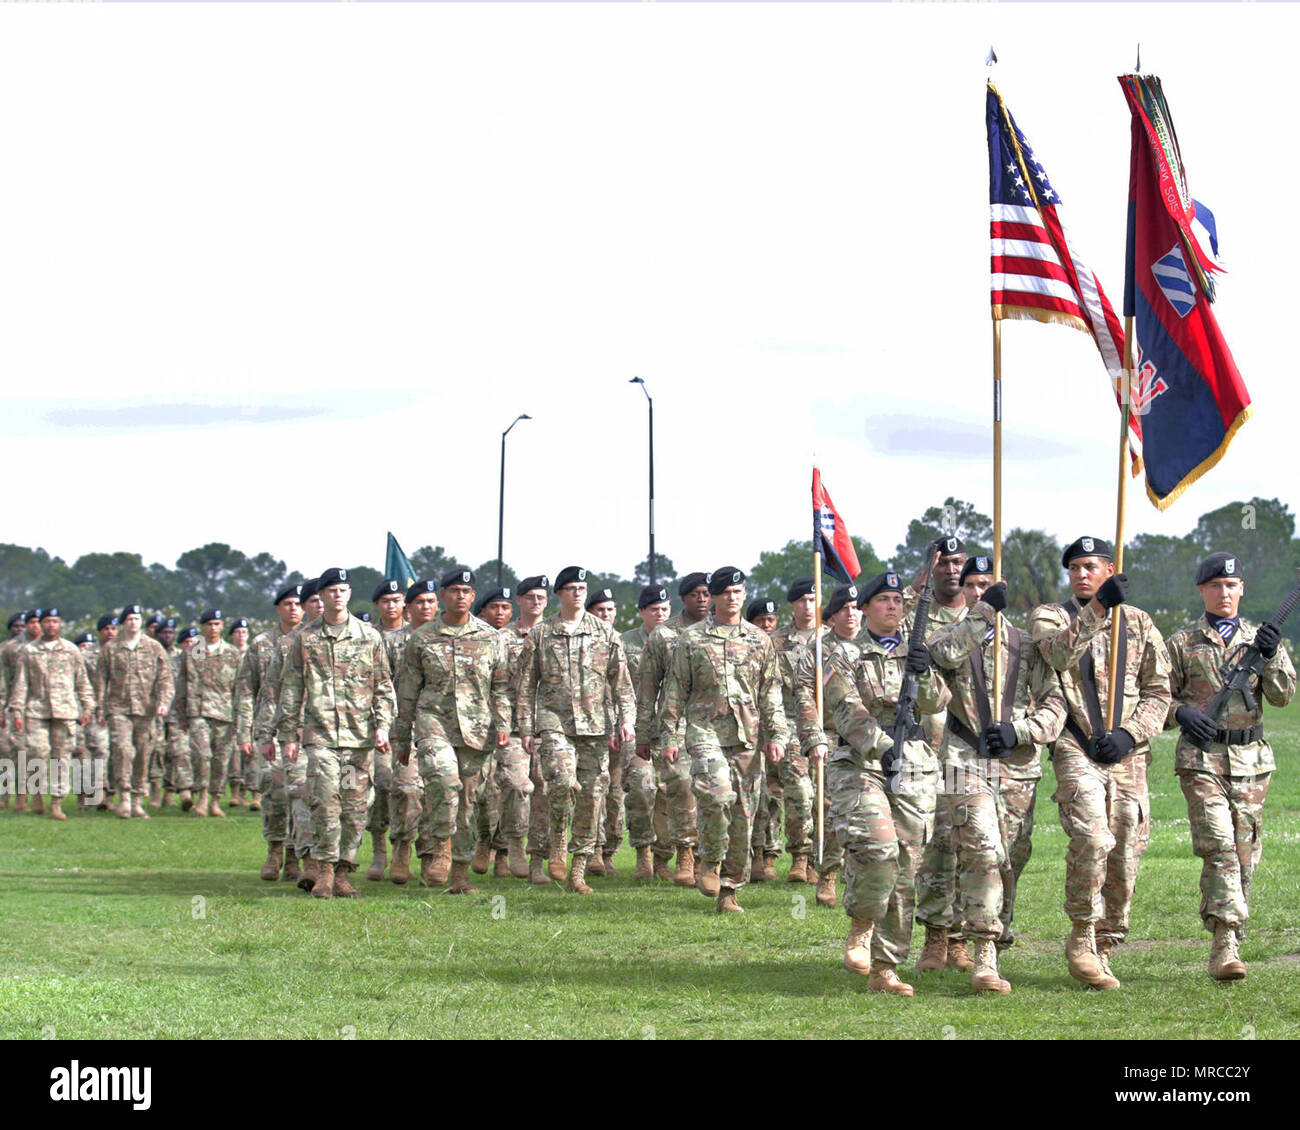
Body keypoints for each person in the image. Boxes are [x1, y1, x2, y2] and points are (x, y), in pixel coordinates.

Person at [1030, 536, 1172, 990]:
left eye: (1091, 566)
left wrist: (1131, 733)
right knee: (1093, 838)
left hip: (1128, 753)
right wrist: (1096, 612)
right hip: (1076, 745)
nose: (1082, 574)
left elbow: (1160, 692)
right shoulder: (1052, 616)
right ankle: (1082, 934)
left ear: (1110, 569)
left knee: (1126, 850)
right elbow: (1055, 654)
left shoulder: (1139, 622)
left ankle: (1107, 942)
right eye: (1074, 568)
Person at [926, 570, 1067, 992]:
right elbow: (943, 657)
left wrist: (1022, 730)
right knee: (980, 849)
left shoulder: (1025, 644)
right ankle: (981, 952)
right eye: (971, 586)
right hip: (963, 758)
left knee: (1011, 856)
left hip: (1016, 763)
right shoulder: (947, 637)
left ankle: (995, 940)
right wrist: (984, 613)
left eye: (987, 585)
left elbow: (1056, 704)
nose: (978, 591)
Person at [808, 570, 948, 994]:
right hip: (860, 762)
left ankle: (885, 967)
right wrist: (883, 745)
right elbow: (846, 710)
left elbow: (938, 702)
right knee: (878, 848)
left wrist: (923, 672)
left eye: (897, 600)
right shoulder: (842, 655)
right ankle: (862, 923)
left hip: (913, 764)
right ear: (864, 608)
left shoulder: (915, 651)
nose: (892, 606)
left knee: (907, 865)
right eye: (883, 600)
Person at [1165, 552, 1296, 981]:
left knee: (1244, 856)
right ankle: (1223, 945)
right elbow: (1153, 698)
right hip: (1201, 759)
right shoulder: (1182, 643)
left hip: (1251, 762)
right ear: (1202, 590)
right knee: (1220, 846)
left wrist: (1272, 656)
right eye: (1216, 585)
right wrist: (1180, 713)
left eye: (1232, 585)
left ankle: (1231, 938)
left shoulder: (1262, 639)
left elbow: (1283, 697)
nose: (1225, 593)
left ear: (1242, 590)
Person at [659, 566, 786, 914]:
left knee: (745, 812)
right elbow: (675, 690)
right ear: (713, 597)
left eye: (739, 592)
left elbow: (770, 693)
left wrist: (777, 735)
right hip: (705, 731)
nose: (733, 598)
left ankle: (730, 888)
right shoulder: (692, 638)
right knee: (717, 797)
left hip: (747, 737)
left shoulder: (760, 641)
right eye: (726, 593)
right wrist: (670, 734)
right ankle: (710, 861)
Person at [276, 569, 395, 899]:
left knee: (355, 809)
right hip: (322, 737)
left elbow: (383, 686)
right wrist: (287, 735)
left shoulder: (369, 636)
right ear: (322, 596)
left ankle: (344, 871)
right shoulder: (305, 637)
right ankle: (325, 871)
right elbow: (291, 688)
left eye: (343, 590)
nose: (338, 595)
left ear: (348, 593)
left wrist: (383, 726)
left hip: (360, 738)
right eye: (331, 591)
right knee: (325, 801)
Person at [516, 566, 635, 893]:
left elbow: (622, 684)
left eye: (581, 587)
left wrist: (627, 720)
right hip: (555, 722)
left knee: (593, 794)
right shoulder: (541, 634)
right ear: (559, 594)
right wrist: (526, 727)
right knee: (563, 783)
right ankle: (557, 840)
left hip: (595, 725)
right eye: (570, 588)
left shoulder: (605, 633)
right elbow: (526, 686)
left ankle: (579, 868)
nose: (577, 593)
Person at [395, 569, 511, 894]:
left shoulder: (491, 637)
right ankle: (441, 848)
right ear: (443, 595)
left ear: (473, 597)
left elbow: (500, 687)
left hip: (477, 728)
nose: (460, 596)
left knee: (470, 801)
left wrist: (503, 724)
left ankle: (460, 874)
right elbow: (407, 692)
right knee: (445, 783)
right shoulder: (422, 638)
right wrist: (402, 738)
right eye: (454, 590)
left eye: (466, 591)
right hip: (434, 723)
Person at [907, 536, 977, 974]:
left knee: (966, 842)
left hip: (967, 748)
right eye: (943, 563)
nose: (951, 570)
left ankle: (961, 938)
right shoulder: (917, 613)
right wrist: (921, 572)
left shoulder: (981, 611)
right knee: (931, 845)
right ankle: (933, 937)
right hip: (923, 747)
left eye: (958, 562)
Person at [634, 572, 710, 885]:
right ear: (684, 598)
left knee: (712, 793)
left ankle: (711, 858)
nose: (703, 600)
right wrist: (642, 733)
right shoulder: (663, 636)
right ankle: (684, 854)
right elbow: (647, 688)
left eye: (707, 594)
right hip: (674, 725)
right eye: (696, 594)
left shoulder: (725, 632)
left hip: (715, 725)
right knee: (678, 786)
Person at [792, 583, 860, 909]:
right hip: (833, 738)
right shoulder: (818, 651)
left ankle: (860, 873)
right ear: (832, 616)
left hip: (875, 740)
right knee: (832, 809)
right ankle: (829, 873)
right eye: (844, 608)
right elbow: (804, 695)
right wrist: (814, 738)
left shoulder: (876, 645)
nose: (852, 614)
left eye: (857, 607)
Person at [236, 583, 304, 881]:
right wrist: (245, 732)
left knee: (300, 793)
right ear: (278, 608)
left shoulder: (311, 639)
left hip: (304, 729)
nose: (293, 609)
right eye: (287, 604)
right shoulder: (261, 644)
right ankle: (274, 850)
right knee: (274, 789)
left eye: (298, 604)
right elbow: (245, 690)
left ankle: (294, 856)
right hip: (270, 730)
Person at [7, 608, 94, 820]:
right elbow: (21, 683)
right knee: (38, 751)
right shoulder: (29, 651)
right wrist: (17, 710)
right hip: (37, 710)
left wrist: (88, 706)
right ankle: (37, 791)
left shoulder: (71, 650)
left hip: (65, 711)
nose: (50, 625)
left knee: (62, 757)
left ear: (60, 624)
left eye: (55, 621)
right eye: (46, 621)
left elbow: (82, 681)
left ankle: (57, 802)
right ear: (41, 624)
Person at [470, 585, 531, 879]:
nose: (500, 613)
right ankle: (484, 842)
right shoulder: (478, 639)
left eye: (506, 608)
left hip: (514, 728)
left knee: (510, 788)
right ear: (482, 610)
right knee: (485, 792)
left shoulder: (521, 639)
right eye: (494, 607)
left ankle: (503, 852)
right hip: (478, 724)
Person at [95, 604, 173, 819]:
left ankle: (138, 799)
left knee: (142, 753)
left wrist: (163, 701)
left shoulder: (154, 647)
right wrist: (99, 708)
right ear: (123, 623)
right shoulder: (110, 649)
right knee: (122, 750)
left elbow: (165, 679)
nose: (133, 622)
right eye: (129, 619)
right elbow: (101, 680)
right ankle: (124, 798)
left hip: (145, 709)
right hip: (118, 708)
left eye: (136, 619)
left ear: (141, 622)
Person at [771, 578, 821, 884]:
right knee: (801, 792)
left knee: (826, 796)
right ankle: (800, 857)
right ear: (792, 604)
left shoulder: (833, 639)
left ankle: (823, 858)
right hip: (791, 725)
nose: (807, 606)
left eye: (813, 600)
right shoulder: (776, 642)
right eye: (801, 600)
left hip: (829, 725)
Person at [622, 585, 671, 880]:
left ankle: (664, 858)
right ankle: (643, 852)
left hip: (668, 729)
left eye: (665, 609)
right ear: (642, 612)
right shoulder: (625, 642)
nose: (660, 614)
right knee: (641, 787)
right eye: (654, 609)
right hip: (636, 728)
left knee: (668, 790)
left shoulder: (678, 640)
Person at [175, 609, 243, 818]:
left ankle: (215, 800)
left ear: (222, 626)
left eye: (216, 624)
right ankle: (202, 797)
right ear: (202, 627)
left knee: (221, 760)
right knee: (202, 756)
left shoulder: (232, 653)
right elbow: (182, 684)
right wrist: (182, 715)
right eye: (209, 624)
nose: (213, 628)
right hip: (199, 712)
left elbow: (240, 687)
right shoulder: (193, 651)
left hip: (225, 713)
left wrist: (241, 717)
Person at [364, 578, 410, 882]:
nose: (391, 605)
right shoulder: (366, 636)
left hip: (411, 724)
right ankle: (379, 848)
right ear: (378, 605)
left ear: (404, 602)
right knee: (380, 786)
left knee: (407, 790)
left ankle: (402, 850)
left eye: (396, 600)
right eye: (385, 601)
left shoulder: (417, 636)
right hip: (374, 725)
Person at [745, 597, 783, 880]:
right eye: (761, 621)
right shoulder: (748, 646)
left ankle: (771, 853)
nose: (767, 625)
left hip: (781, 729)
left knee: (776, 797)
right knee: (755, 795)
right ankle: (754, 853)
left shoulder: (785, 645)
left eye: (771, 620)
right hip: (749, 731)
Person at [585, 587, 622, 876]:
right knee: (594, 788)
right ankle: (594, 849)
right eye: (600, 610)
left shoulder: (620, 642)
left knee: (617, 794)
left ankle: (610, 850)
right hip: (593, 727)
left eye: (610, 610)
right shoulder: (586, 642)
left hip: (621, 728)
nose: (605, 615)